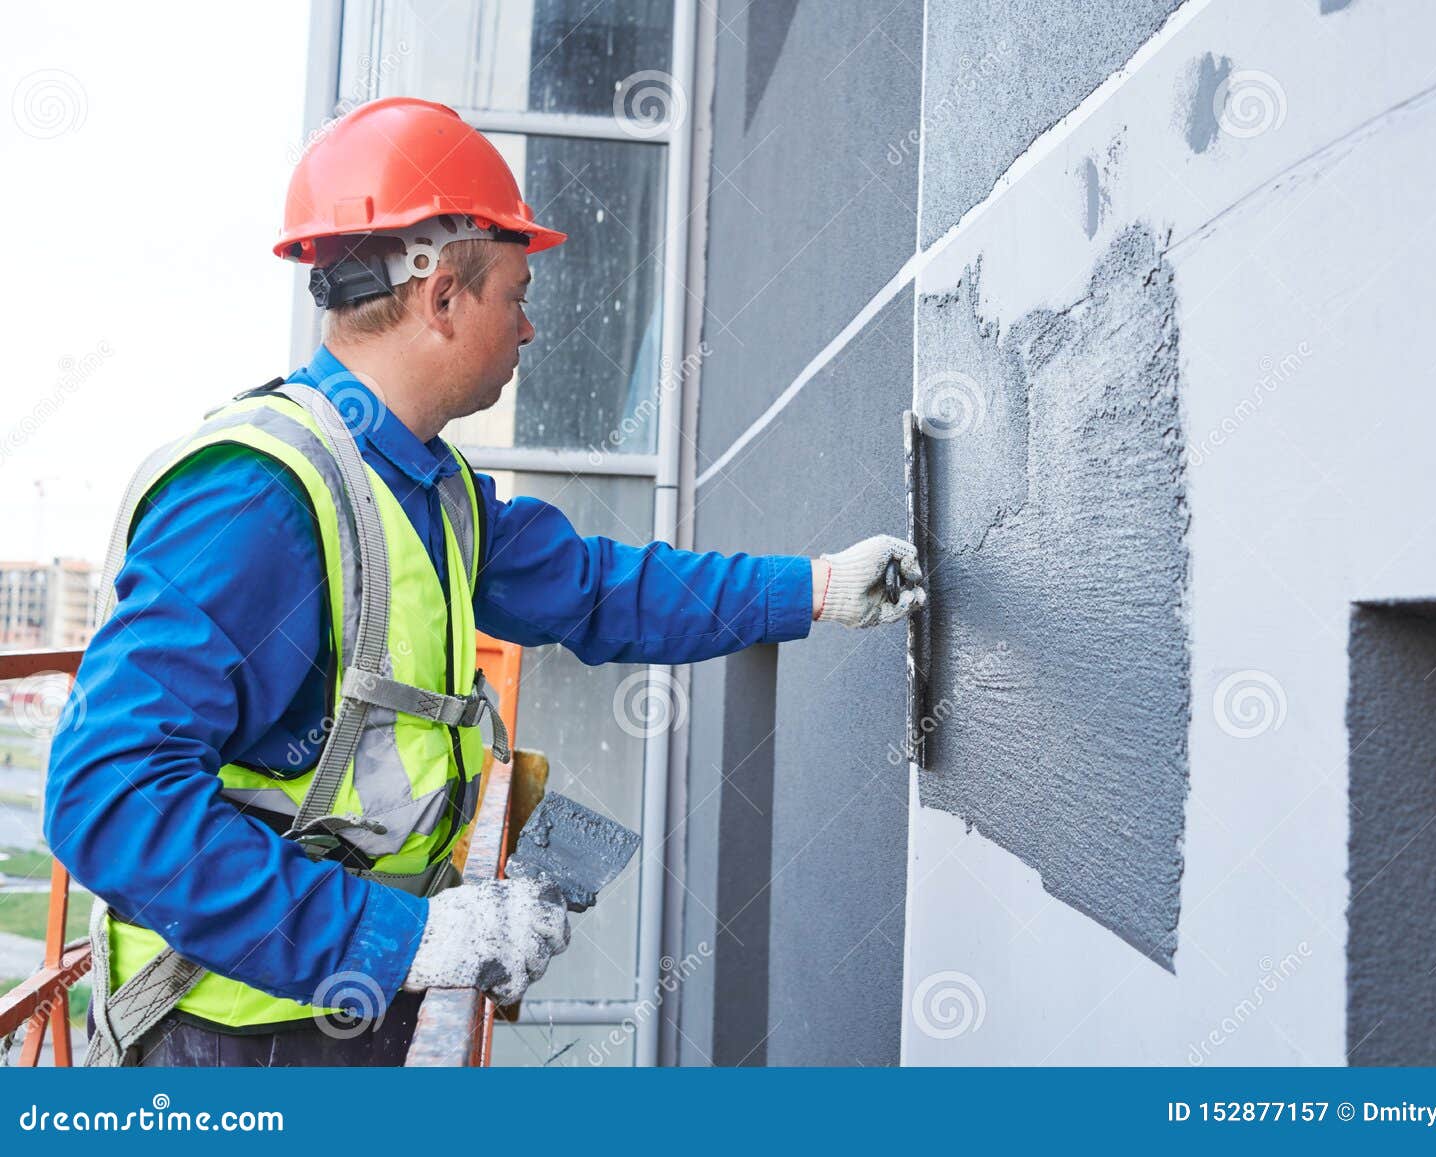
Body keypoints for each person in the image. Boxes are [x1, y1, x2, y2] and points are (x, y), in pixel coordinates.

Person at [44, 96, 925, 1067]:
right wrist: (409, 939)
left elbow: (600, 590)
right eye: (517, 292)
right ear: (442, 299)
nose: (530, 326)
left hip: (355, 1003)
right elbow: (107, 797)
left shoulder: (433, 488)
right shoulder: (257, 499)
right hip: (231, 1046)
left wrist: (817, 587)